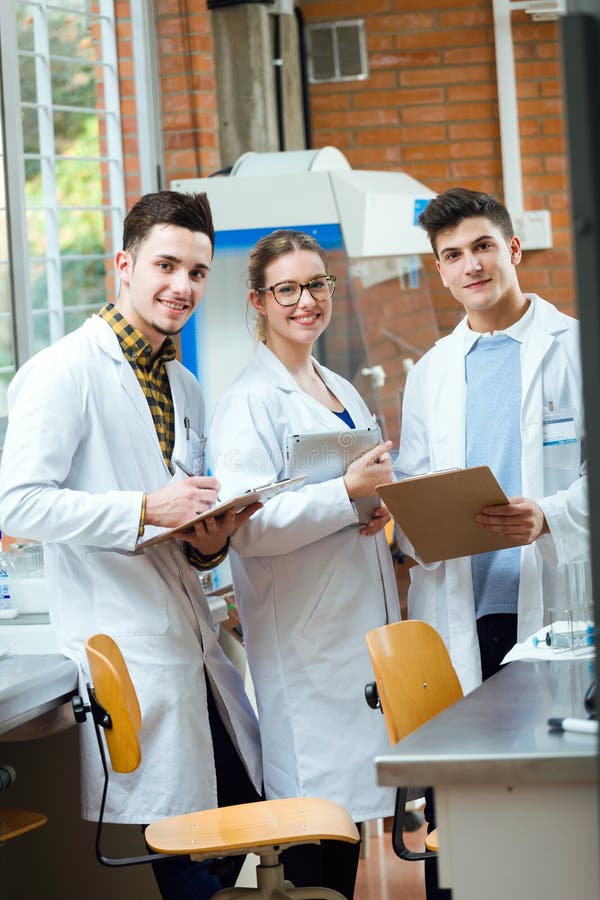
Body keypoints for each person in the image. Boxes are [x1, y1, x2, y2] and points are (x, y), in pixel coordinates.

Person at [0, 191, 263, 900]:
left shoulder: (183, 383)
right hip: (129, 644)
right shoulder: (64, 371)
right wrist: (145, 508)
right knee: (187, 858)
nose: (183, 286)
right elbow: (18, 503)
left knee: (235, 823)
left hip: (189, 643)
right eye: (167, 265)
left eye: (199, 273)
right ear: (124, 264)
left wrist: (209, 542)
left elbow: (178, 524)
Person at [394, 187, 589, 899]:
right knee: (469, 806)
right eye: (452, 255)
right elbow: (416, 483)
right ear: (439, 270)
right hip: (468, 612)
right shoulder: (432, 372)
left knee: (556, 804)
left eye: (481, 246)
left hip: (558, 600)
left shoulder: (575, 346)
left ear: (510, 249)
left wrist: (553, 516)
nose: (469, 264)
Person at [209, 229, 400, 900]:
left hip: (351, 641)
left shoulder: (336, 384)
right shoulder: (248, 403)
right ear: (259, 300)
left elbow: (342, 496)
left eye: (316, 284)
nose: (305, 301)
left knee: (341, 830)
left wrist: (368, 508)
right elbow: (249, 529)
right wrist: (346, 493)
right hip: (305, 647)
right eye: (287, 289)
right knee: (312, 839)